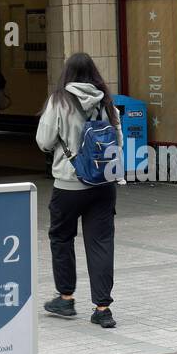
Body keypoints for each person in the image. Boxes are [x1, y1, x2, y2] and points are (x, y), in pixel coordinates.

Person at [36, 53, 122, 329]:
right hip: (103, 185)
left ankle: (66, 298)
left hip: (69, 185)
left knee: (61, 237)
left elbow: (44, 141)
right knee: (101, 242)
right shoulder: (106, 101)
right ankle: (103, 308)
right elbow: (118, 140)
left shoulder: (59, 100)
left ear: (68, 74)